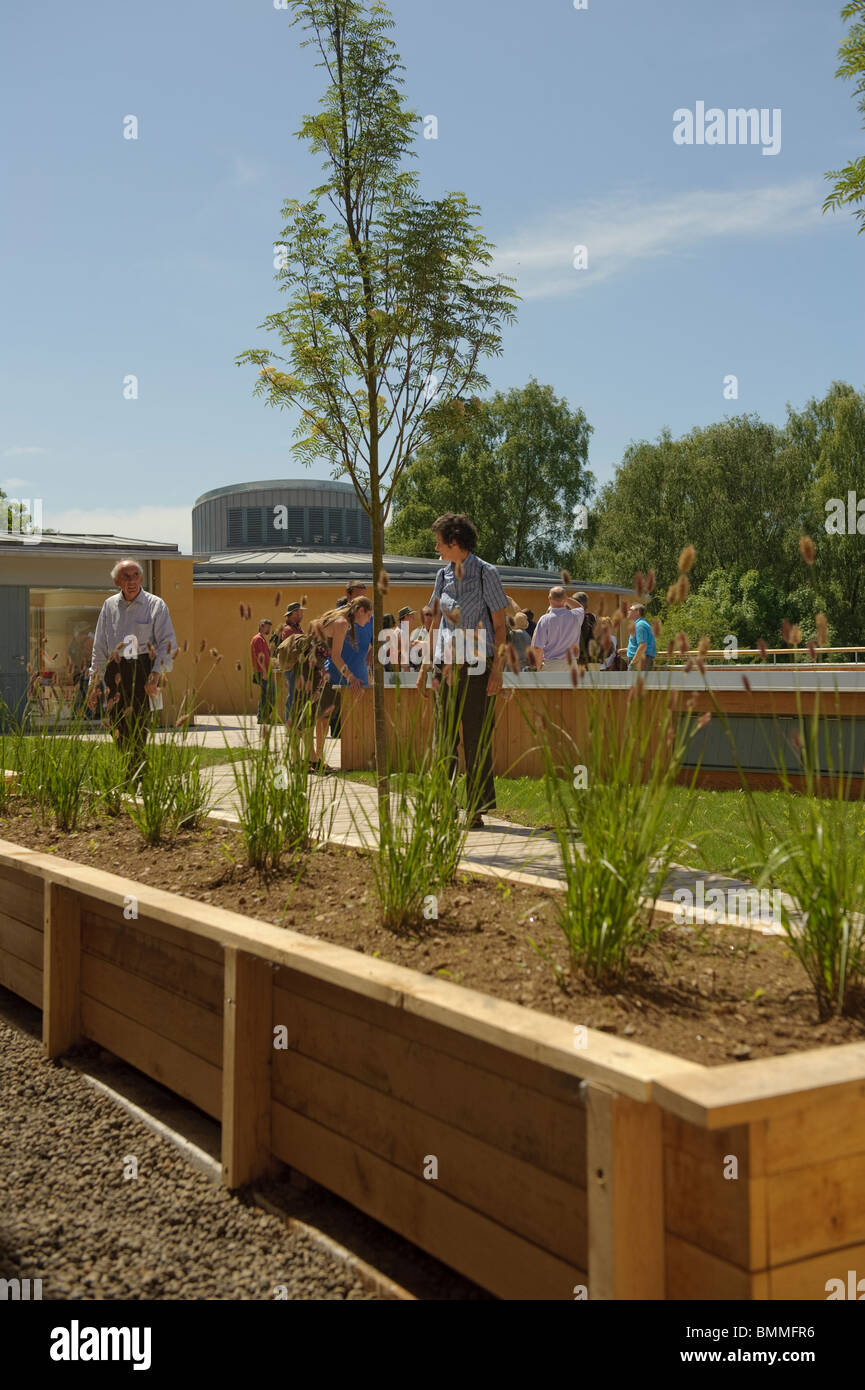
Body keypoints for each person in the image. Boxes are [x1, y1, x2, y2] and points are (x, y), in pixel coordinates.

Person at [417, 512, 508, 828]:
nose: (437, 548)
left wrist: (497, 671)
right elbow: (434, 623)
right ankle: (442, 804)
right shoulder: (442, 576)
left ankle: (476, 809)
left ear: (455, 542)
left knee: (475, 738)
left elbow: (500, 626)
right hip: (444, 666)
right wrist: (426, 665)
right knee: (443, 739)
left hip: (477, 667)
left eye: (439, 543)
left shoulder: (486, 573)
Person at [86, 559, 177, 778]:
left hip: (142, 669)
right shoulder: (109, 606)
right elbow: (100, 647)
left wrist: (156, 674)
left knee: (137, 727)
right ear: (117, 581)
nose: (132, 581)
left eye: (136, 575)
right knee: (117, 727)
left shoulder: (156, 605)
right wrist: (93, 683)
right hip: (114, 669)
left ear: (142, 578)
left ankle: (135, 778)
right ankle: (137, 774)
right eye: (126, 576)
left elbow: (167, 643)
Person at [528, 586, 583, 671]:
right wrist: (566, 598)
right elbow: (579, 607)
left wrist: (539, 667)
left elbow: (537, 647)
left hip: (551, 664)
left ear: (549, 598)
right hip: (571, 664)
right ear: (565, 598)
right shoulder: (576, 616)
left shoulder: (544, 619)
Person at [278, 602, 304, 720]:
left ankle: (295, 722)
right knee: (293, 695)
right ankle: (290, 722)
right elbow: (290, 648)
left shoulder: (297, 628)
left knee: (297, 695)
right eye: (300, 612)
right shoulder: (288, 630)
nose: (302, 614)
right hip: (292, 666)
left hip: (298, 666)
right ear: (293, 613)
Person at [250, 618, 276, 724]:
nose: (269, 629)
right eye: (267, 627)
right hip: (262, 671)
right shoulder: (258, 639)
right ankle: (263, 717)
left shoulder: (262, 639)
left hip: (264, 671)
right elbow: (259, 657)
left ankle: (263, 717)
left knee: (266, 695)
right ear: (261, 626)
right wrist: (264, 671)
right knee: (270, 695)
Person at [627, 603, 657, 671]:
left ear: (637, 612)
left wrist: (633, 662)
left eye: (630, 609)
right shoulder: (640, 624)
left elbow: (643, 645)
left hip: (640, 661)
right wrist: (626, 650)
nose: (628, 611)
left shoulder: (640, 625)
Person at [409, 606, 433, 670]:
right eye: (427, 614)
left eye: (431, 615)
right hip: (419, 668)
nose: (429, 617)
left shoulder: (439, 632)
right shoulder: (416, 632)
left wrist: (422, 644)